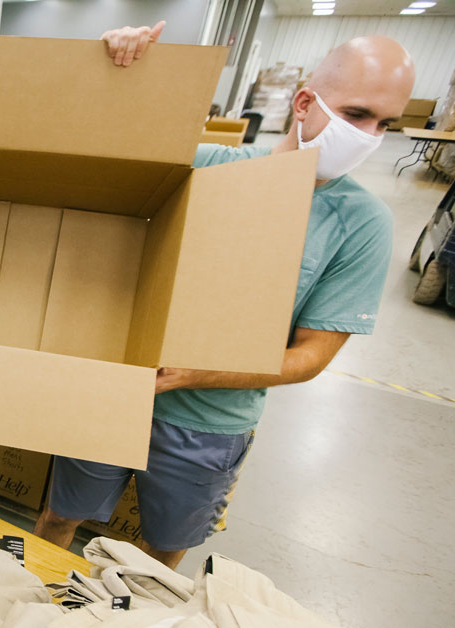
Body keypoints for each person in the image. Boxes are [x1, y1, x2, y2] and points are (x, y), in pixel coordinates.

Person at [36, 21, 413, 568]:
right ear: (305, 102)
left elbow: (310, 356)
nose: (370, 134)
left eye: (385, 124)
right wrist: (121, 71)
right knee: (58, 517)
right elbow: (91, 153)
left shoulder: (363, 224)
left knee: (160, 553)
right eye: (357, 114)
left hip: (211, 422)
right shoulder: (207, 168)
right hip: (117, 387)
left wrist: (197, 372)